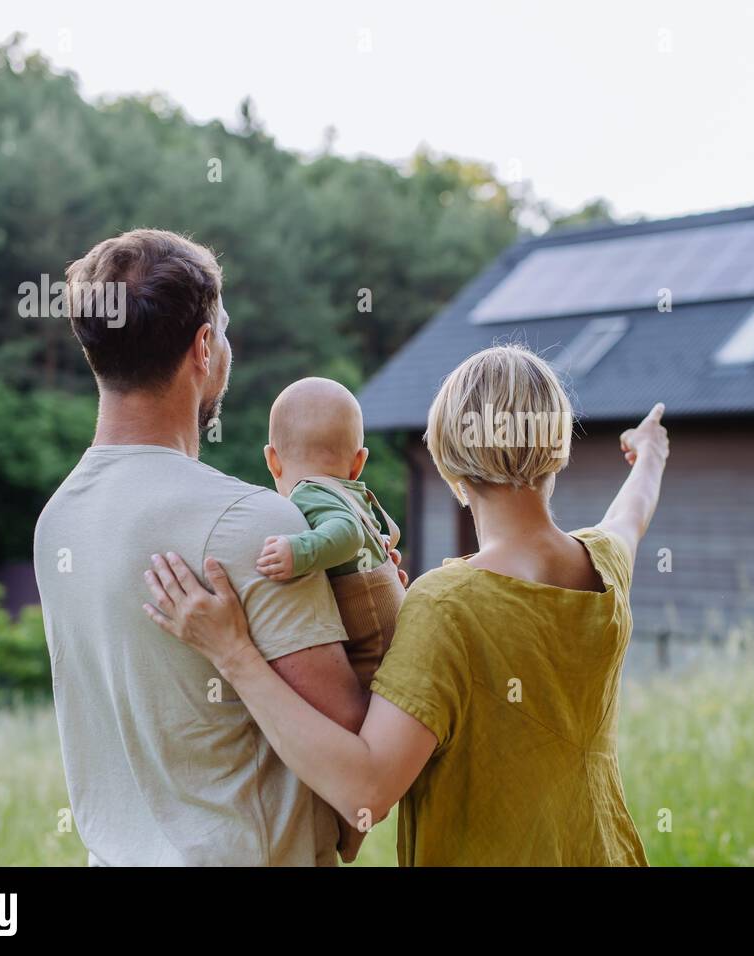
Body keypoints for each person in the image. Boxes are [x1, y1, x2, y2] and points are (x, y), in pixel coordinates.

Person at [143, 343, 668, 865]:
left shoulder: (446, 605)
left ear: (448, 456)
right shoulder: (604, 563)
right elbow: (631, 513)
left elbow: (365, 791)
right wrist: (651, 455)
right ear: (557, 444)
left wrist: (234, 655)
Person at [34, 228, 395, 866]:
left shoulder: (56, 523)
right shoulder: (254, 523)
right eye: (223, 330)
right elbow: (359, 763)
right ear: (204, 347)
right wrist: (391, 602)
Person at [254, 377, 406, 688]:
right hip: (397, 641)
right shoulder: (350, 495)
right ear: (358, 463)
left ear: (272, 460)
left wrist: (297, 552)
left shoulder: (309, 492)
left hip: (373, 653)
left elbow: (347, 534)